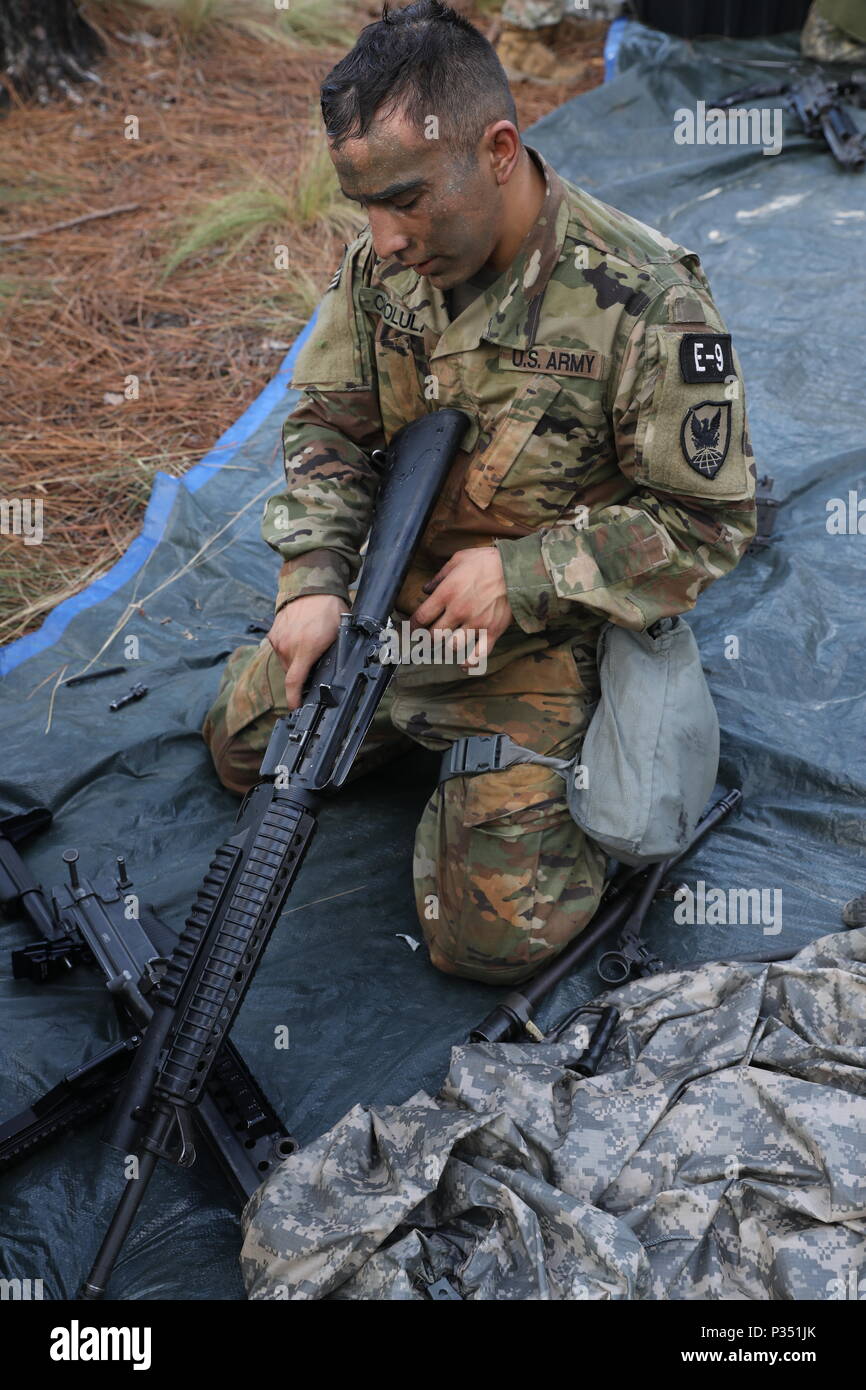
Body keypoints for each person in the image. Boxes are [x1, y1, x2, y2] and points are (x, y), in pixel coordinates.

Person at [203, 0, 757, 986]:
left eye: (405, 199)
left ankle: (572, 776)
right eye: (361, 205)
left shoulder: (649, 303)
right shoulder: (383, 272)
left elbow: (707, 521)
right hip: (388, 613)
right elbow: (327, 423)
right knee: (237, 751)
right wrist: (314, 580)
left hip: (537, 642)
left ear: (497, 149)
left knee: (490, 941)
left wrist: (526, 573)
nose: (381, 239)